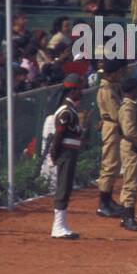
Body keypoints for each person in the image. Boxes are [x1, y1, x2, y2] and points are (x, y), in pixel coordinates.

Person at [49, 73, 88, 240]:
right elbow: (59, 135)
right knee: (63, 187)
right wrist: (54, 154)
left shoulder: (72, 110)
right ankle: (57, 226)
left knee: (67, 187)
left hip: (70, 153)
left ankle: (62, 224)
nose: (82, 92)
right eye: (79, 88)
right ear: (72, 91)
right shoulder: (66, 112)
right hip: (65, 153)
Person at [116, 75, 137, 231]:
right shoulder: (128, 108)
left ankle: (126, 215)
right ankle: (128, 217)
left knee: (129, 180)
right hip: (132, 147)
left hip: (130, 146)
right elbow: (130, 131)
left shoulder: (129, 105)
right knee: (131, 183)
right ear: (133, 90)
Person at [95, 56, 126, 218]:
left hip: (114, 128)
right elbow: (116, 113)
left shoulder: (114, 87)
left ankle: (108, 200)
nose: (122, 74)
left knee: (114, 166)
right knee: (109, 165)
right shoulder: (107, 90)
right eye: (120, 72)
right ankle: (103, 203)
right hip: (112, 128)